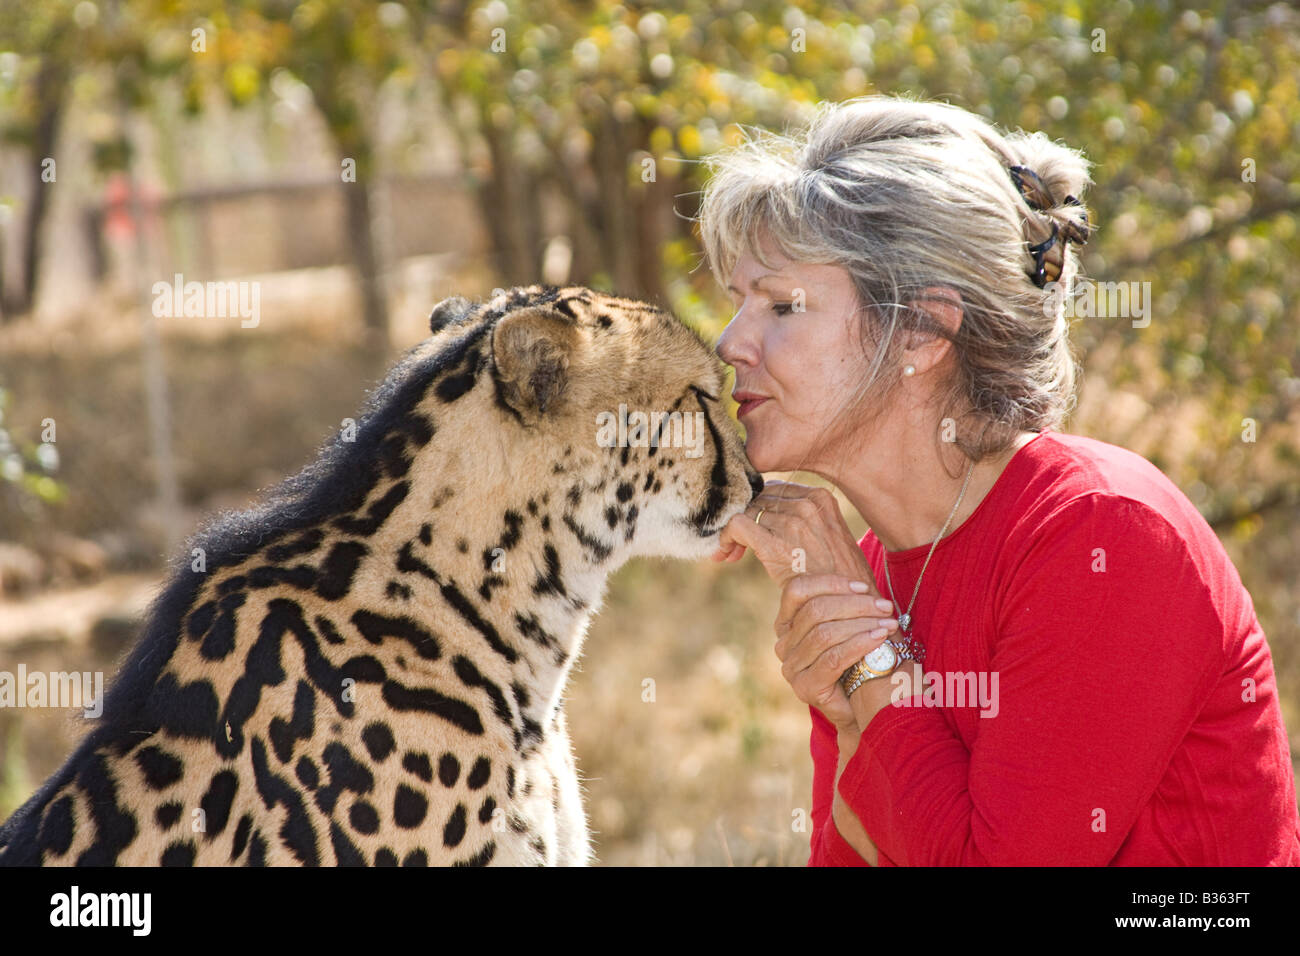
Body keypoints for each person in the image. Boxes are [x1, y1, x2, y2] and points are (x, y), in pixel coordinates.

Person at [701, 95, 1300, 866]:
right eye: (737, 304)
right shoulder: (870, 568)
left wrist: (871, 665)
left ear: (923, 329)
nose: (729, 342)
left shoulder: (1102, 534)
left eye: (781, 304)